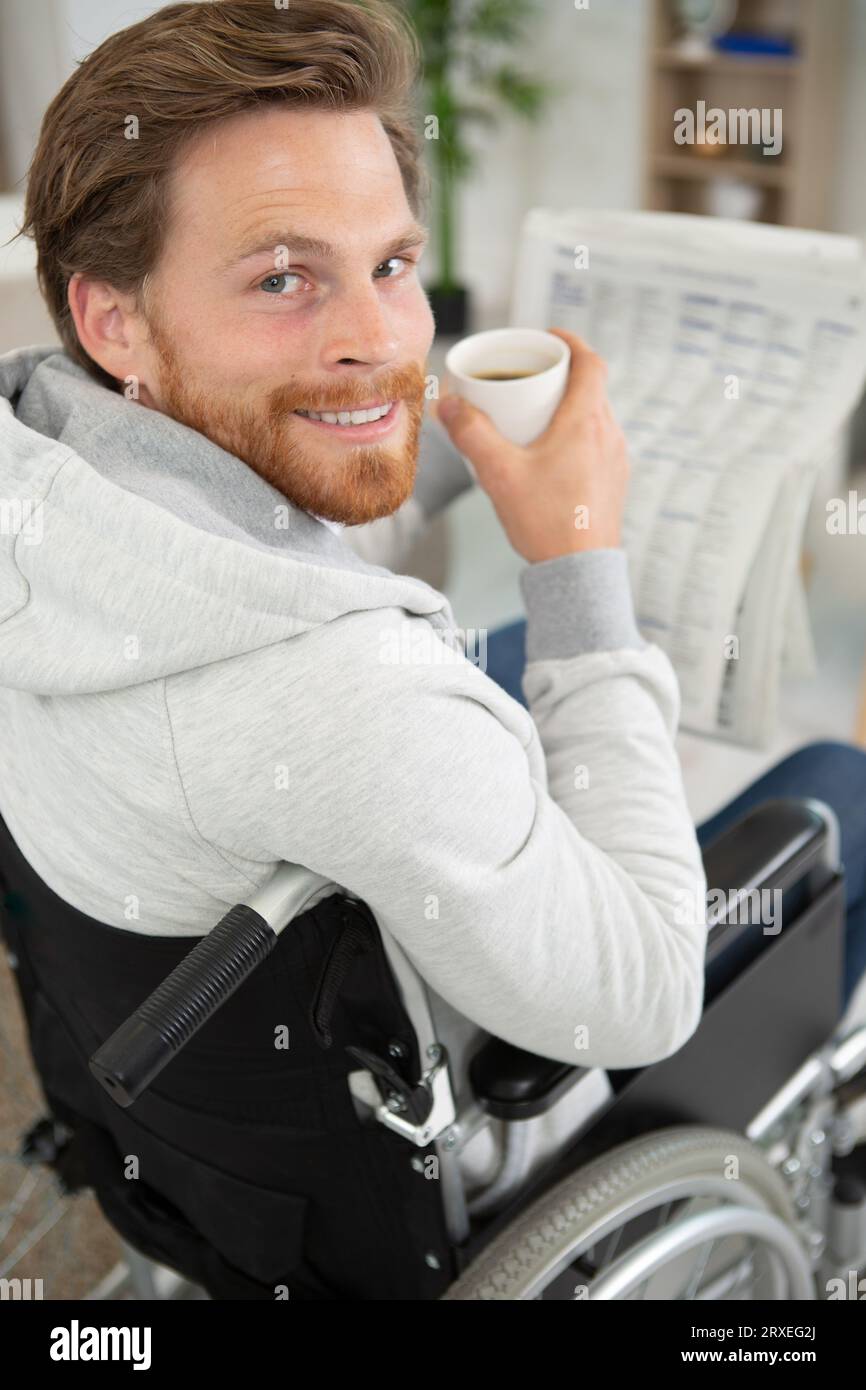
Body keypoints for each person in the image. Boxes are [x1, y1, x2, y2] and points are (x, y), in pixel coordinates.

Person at [0, 0, 842, 1300]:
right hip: (442, 1158)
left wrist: (419, 445)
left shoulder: (44, 472)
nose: (385, 341)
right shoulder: (346, 706)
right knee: (836, 787)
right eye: (283, 278)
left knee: (492, 643)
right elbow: (643, 996)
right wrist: (575, 564)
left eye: (390, 264)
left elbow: (247, 569)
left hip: (175, 1120)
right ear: (112, 321)